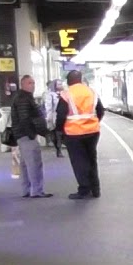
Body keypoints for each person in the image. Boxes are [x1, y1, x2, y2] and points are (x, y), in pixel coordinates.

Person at [55, 69, 105, 199]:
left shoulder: (66, 94)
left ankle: (84, 189)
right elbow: (100, 110)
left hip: (74, 133)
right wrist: (93, 122)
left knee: (79, 162)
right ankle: (96, 189)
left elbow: (61, 115)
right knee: (91, 159)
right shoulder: (91, 92)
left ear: (68, 81)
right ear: (81, 79)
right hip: (93, 132)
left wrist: (59, 130)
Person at [10, 75, 52, 198]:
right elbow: (25, 118)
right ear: (22, 84)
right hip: (26, 136)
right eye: (29, 83)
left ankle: (26, 190)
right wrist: (31, 134)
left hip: (21, 135)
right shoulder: (23, 98)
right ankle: (37, 191)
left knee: (24, 164)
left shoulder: (22, 97)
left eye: (33, 83)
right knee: (34, 163)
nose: (32, 85)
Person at [44, 79, 64, 158]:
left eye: (61, 84)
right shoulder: (50, 95)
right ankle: (58, 149)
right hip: (54, 116)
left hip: (62, 115)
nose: (60, 85)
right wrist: (49, 117)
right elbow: (48, 106)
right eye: (58, 84)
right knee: (55, 133)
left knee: (60, 133)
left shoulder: (64, 93)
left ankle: (59, 147)